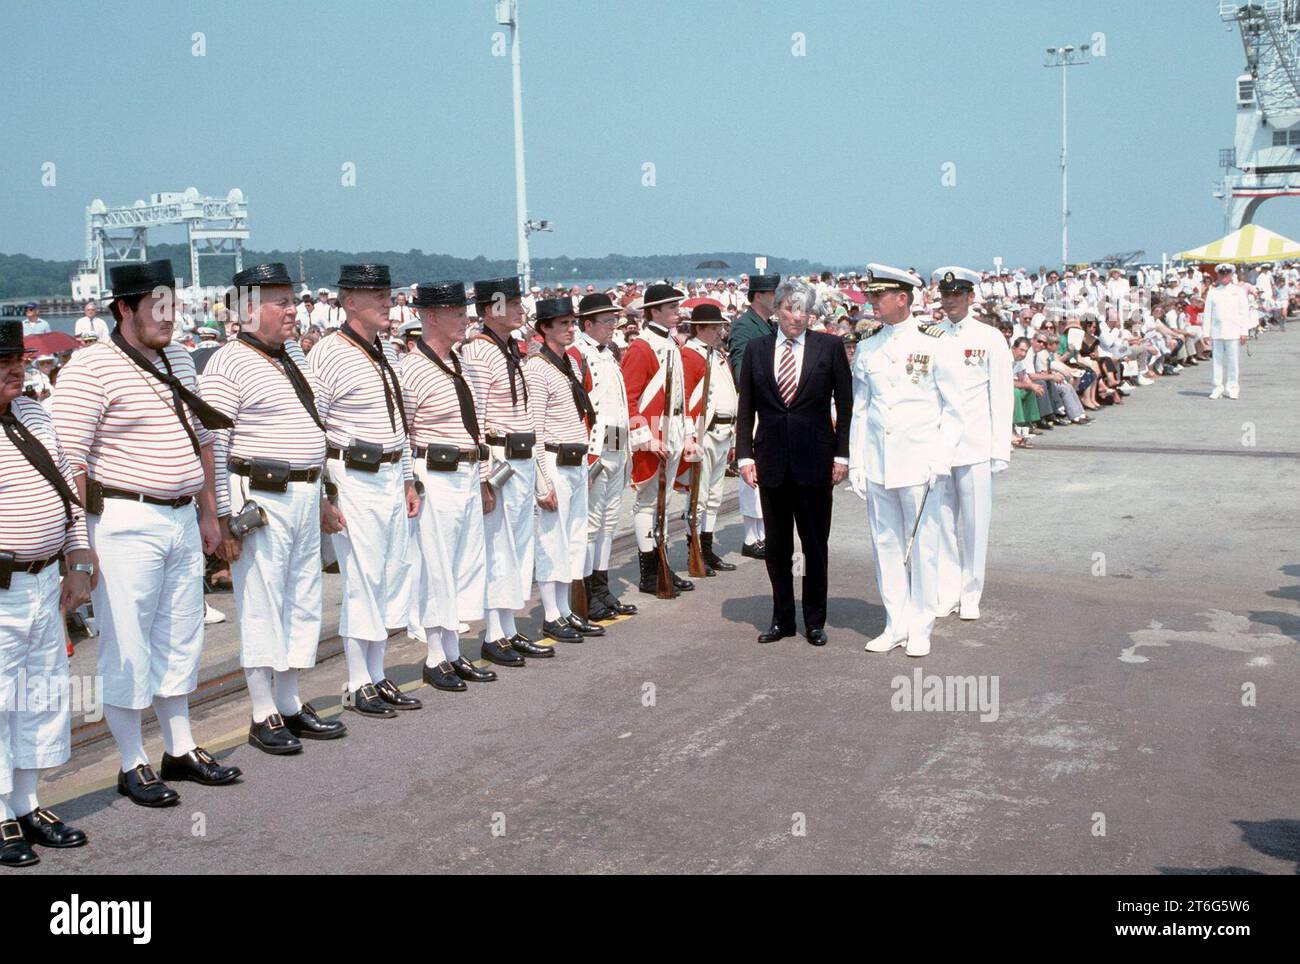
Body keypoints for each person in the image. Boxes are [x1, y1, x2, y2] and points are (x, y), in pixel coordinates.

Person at [51, 260, 241, 806]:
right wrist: (80, 544)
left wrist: (209, 512)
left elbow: (203, 438)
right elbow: (70, 461)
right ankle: (131, 760)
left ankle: (179, 747)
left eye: (173, 307)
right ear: (124, 309)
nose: (169, 318)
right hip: (122, 519)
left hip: (182, 514)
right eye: (157, 309)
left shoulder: (180, 357)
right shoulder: (89, 369)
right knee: (127, 643)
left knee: (181, 634)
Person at [200, 263, 345, 754]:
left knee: (302, 599)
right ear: (246, 310)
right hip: (260, 497)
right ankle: (262, 711)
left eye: (292, 299)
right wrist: (221, 518)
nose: (292, 310)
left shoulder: (292, 359)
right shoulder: (226, 362)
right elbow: (215, 445)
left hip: (304, 494)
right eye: (280, 301)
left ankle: (289, 700)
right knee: (262, 604)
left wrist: (324, 497)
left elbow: (312, 435)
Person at [308, 264, 423, 717]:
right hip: (352, 475)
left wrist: (409, 478)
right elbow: (313, 427)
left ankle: (377, 674)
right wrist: (326, 493)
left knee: (387, 576)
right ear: (349, 302)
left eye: (388, 294)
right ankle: (357, 682)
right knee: (361, 578)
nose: (386, 303)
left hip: (391, 474)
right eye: (376, 296)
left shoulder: (388, 353)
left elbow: (401, 426)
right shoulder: (327, 354)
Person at [0, 319, 92, 867]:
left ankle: (28, 802)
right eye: (2, 363)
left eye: (17, 358)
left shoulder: (35, 412)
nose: (16, 368)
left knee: (40, 694)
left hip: (43, 582)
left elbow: (68, 491)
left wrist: (78, 559)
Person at [848, 264, 965, 658]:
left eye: (879, 296)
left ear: (903, 298)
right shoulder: (867, 346)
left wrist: (941, 458)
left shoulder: (936, 343)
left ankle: (921, 625)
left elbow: (954, 409)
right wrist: (857, 463)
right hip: (879, 462)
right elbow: (861, 410)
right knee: (886, 545)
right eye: (871, 296)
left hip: (920, 464)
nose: (872, 303)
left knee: (923, 548)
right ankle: (894, 622)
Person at [736, 278, 852, 647]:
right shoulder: (756, 349)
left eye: (804, 310)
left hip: (816, 461)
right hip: (771, 460)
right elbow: (746, 409)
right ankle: (782, 618)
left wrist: (842, 455)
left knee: (815, 546)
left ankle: (815, 620)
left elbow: (846, 407)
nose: (797, 317)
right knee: (777, 548)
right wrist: (744, 456)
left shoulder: (829, 347)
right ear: (777, 309)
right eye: (790, 308)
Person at [401, 281, 497, 692]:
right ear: (432, 317)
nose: (466, 319)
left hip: (464, 473)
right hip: (432, 473)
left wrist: (482, 481)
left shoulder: (461, 365)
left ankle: (454, 651)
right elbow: (401, 430)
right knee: (436, 566)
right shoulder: (410, 369)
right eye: (457, 313)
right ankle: (436, 656)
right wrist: (408, 481)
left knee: (463, 564)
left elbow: (473, 428)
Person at [460, 277, 552, 666]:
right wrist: (482, 475)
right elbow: (475, 417)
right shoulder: (480, 352)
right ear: (489, 309)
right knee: (498, 548)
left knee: (517, 547)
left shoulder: (509, 349)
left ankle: (508, 628)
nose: (520, 309)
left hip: (521, 457)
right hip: (499, 457)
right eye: (510, 303)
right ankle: (494, 634)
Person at [928, 267, 1013, 622]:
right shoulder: (931, 336)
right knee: (942, 522)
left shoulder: (990, 337)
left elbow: (1002, 394)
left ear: (971, 297)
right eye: (945, 296)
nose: (950, 302)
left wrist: (999, 448)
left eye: (956, 296)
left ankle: (972, 590)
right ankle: (948, 589)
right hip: (941, 446)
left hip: (976, 443)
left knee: (976, 525)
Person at [525, 298, 605, 642]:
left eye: (572, 323)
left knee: (574, 539)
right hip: (554, 460)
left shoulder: (566, 363)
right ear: (545, 329)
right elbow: (536, 428)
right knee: (551, 540)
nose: (571, 329)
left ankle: (567, 609)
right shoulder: (537, 368)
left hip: (574, 460)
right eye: (563, 324)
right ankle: (552, 613)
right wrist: (542, 481)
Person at [621, 284, 699, 595]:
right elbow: (629, 398)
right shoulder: (642, 347)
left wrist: (690, 434)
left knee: (663, 504)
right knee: (647, 504)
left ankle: (662, 563)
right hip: (653, 434)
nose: (677, 312)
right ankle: (649, 572)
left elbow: (682, 397)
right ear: (654, 311)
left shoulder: (671, 342)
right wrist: (645, 438)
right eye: (671, 308)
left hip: (675, 432)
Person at [573, 292, 636, 621]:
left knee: (609, 521)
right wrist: (588, 454)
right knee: (591, 523)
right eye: (607, 321)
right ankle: (584, 590)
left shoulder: (609, 354)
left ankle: (601, 585)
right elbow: (579, 410)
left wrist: (624, 447)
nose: (613, 326)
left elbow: (617, 407)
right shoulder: (577, 355)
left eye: (614, 320)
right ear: (588, 324)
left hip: (614, 444)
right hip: (594, 449)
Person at [677, 302, 738, 573]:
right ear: (700, 329)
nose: (719, 332)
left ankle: (708, 546)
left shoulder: (717, 355)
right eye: (714, 328)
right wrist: (690, 435)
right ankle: (696, 548)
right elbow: (685, 399)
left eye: (720, 327)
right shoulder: (690, 355)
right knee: (699, 497)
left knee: (714, 495)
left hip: (724, 431)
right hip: (705, 433)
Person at [728, 273, 780, 559]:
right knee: (751, 473)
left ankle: (764, 533)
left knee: (767, 472)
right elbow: (740, 368)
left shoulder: (769, 326)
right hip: (755, 406)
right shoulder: (744, 327)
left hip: (770, 406)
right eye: (772, 293)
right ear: (758, 296)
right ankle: (751, 537)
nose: (776, 299)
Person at [1203, 263, 1249, 400]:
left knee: (1233, 361)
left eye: (1226, 274)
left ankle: (1232, 387)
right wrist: (1206, 333)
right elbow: (1207, 314)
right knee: (1216, 361)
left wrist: (1244, 331)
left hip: (1233, 331)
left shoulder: (1238, 291)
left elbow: (1243, 313)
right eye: (1221, 274)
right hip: (1217, 332)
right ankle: (1217, 387)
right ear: (1218, 275)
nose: (1224, 276)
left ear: (1231, 275)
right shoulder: (1213, 292)